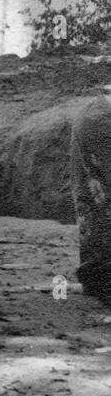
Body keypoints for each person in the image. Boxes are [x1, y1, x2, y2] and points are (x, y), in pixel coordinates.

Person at [70, 92, 111, 303]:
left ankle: (96, 280)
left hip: (93, 115)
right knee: (101, 200)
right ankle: (102, 282)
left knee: (92, 197)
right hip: (103, 119)